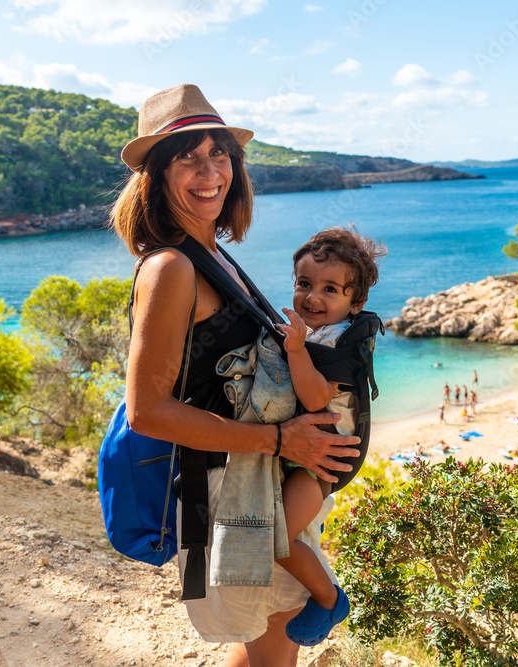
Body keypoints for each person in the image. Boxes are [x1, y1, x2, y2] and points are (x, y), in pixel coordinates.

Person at [111, 83, 360, 666]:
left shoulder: (211, 252)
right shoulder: (171, 267)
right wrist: (280, 439)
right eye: (187, 157)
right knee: (274, 644)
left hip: (250, 482)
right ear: (156, 175)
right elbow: (148, 410)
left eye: (218, 153)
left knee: (269, 641)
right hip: (225, 491)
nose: (209, 170)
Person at [275, 227, 385, 645]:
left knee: (276, 537)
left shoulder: (342, 346)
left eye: (330, 289)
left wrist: (297, 350)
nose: (313, 298)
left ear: (355, 303)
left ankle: (328, 598)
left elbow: (316, 394)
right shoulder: (315, 333)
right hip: (300, 452)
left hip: (321, 464)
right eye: (304, 284)